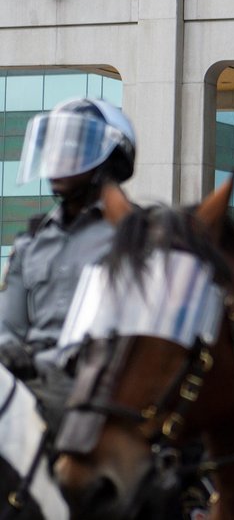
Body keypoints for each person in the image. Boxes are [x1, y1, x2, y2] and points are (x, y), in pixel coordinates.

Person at [0, 97, 135, 431]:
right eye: (54, 148)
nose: (58, 160)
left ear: (109, 162)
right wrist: (9, 354)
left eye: (74, 149)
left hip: (99, 392)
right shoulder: (30, 243)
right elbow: (8, 327)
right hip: (29, 387)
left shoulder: (133, 238)